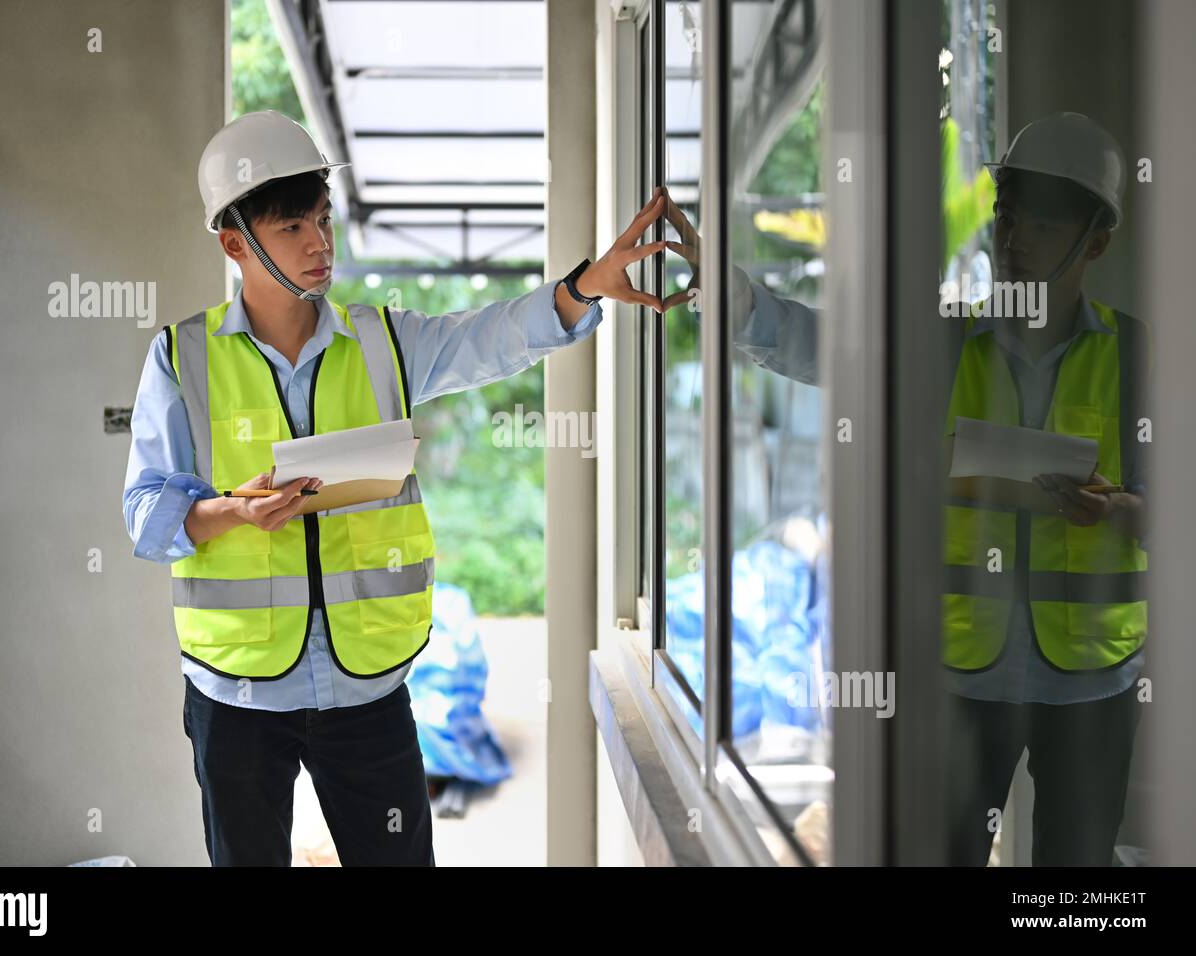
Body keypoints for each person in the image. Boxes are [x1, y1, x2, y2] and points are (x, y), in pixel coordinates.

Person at [123, 110, 668, 866]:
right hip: (238, 695)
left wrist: (582, 289)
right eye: (291, 228)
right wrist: (228, 513)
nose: (319, 244)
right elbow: (145, 517)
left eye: (322, 219)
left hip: (366, 689)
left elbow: (489, 339)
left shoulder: (383, 342)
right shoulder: (179, 358)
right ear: (234, 243)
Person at [661, 111, 1149, 866]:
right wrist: (729, 295)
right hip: (962, 678)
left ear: (1096, 242)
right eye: (1006, 218)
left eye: (1042, 228)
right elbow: (820, 345)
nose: (1013, 242)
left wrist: (1124, 514)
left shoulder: (1142, 357)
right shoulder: (943, 342)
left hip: (1092, 685)